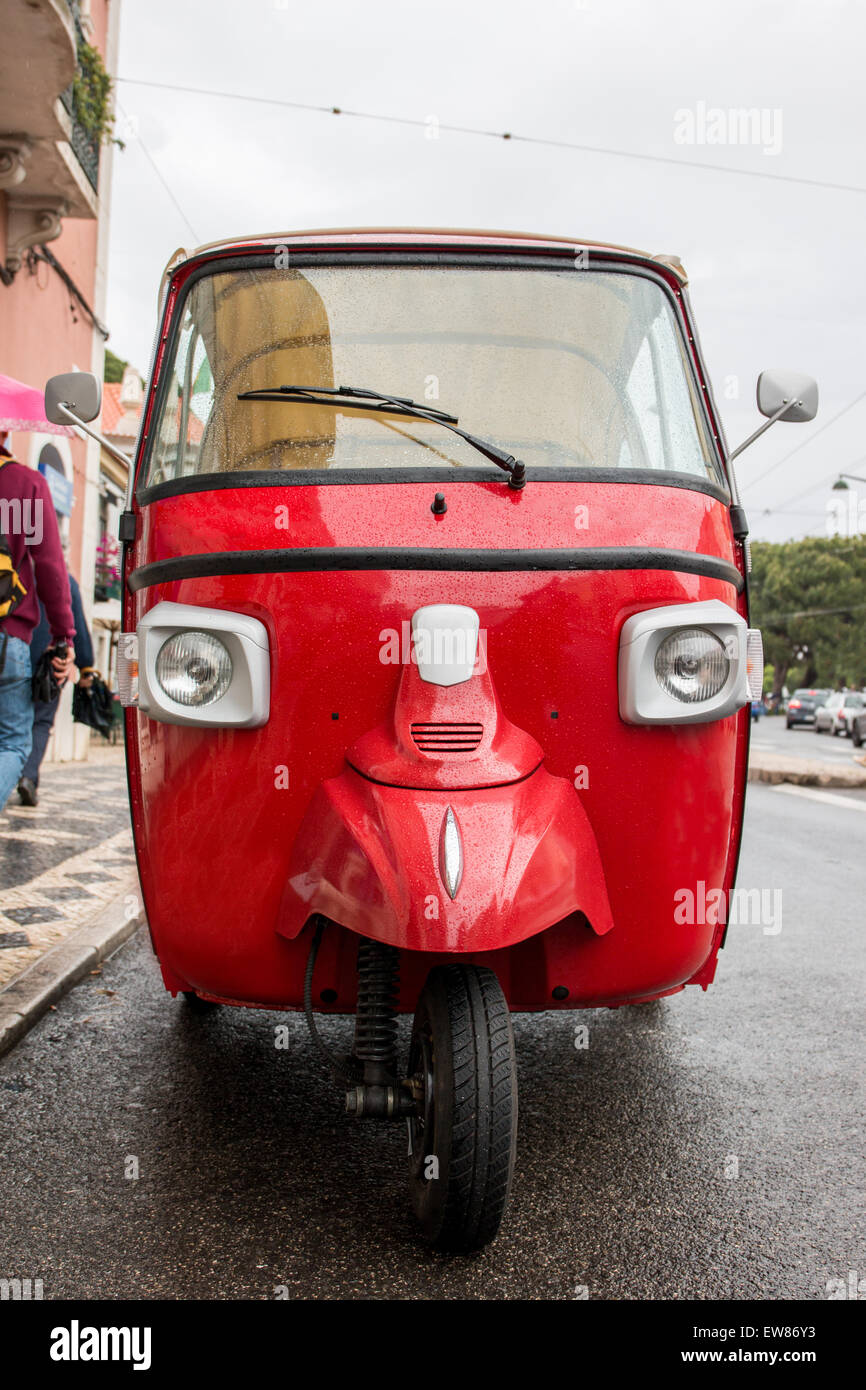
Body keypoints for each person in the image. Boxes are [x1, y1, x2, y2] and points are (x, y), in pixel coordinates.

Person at [0, 435, 75, 810]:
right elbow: (48, 568)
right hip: (6, 636)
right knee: (13, 743)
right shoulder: (25, 485)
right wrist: (63, 634)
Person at [17, 572, 94, 806]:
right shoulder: (66, 581)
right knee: (40, 723)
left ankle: (23, 775)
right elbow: (76, 625)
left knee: (10, 723)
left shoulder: (16, 570)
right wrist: (86, 665)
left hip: (13, 656)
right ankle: (28, 777)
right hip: (49, 665)